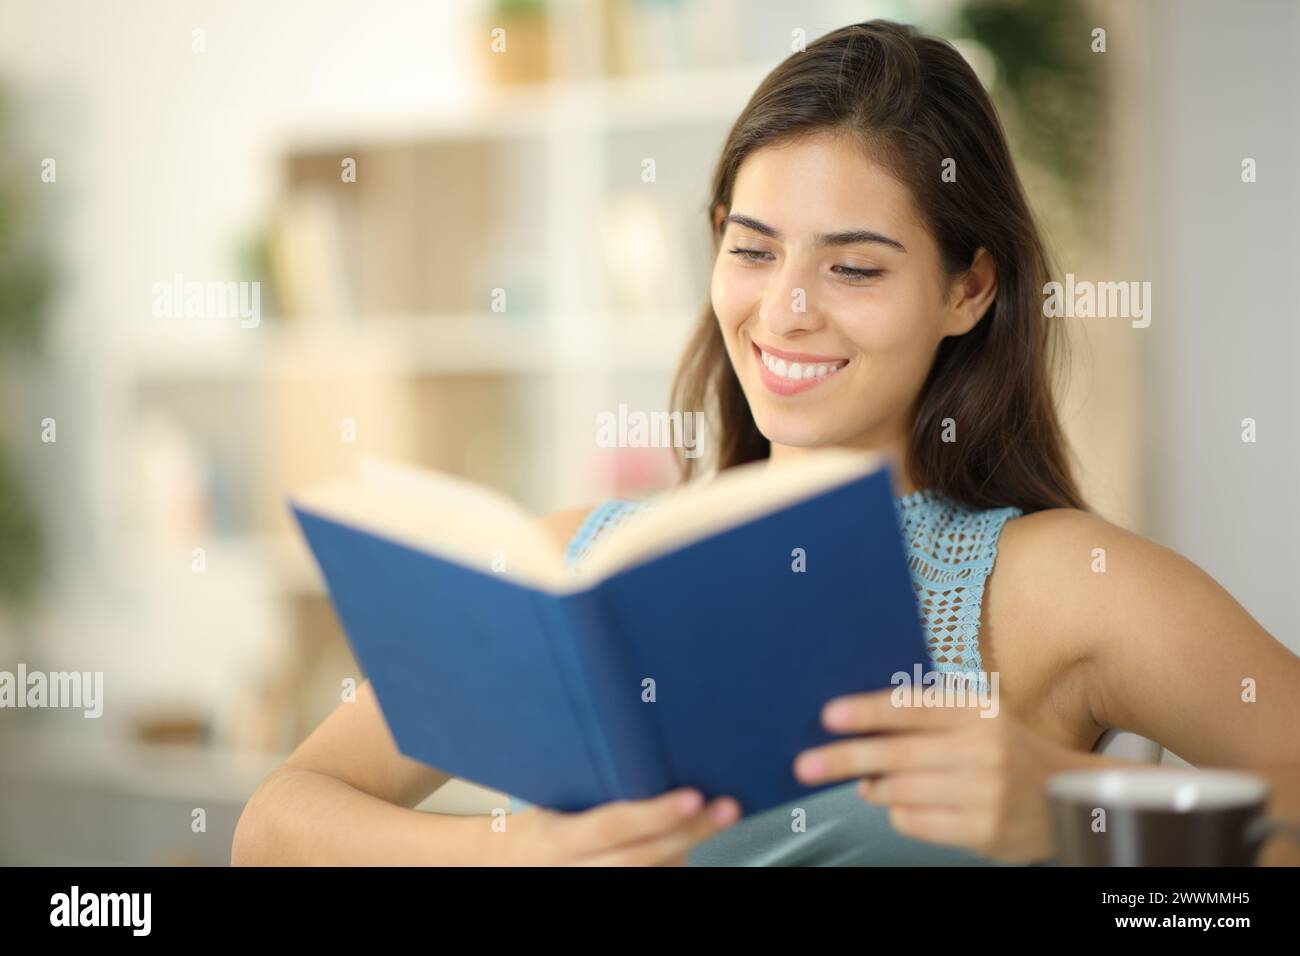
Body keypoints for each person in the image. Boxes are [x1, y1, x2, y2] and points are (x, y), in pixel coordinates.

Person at [232, 20, 1300, 866]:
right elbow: (276, 824)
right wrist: (522, 852)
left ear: (968, 288)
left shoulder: (1060, 586)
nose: (784, 310)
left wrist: (1077, 809)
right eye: (753, 251)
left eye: (854, 266)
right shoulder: (579, 568)